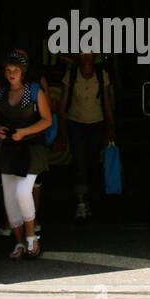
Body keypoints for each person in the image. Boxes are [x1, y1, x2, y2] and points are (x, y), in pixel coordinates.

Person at [0, 50, 53, 258]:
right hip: (9, 150)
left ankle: (31, 237)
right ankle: (18, 243)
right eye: (8, 70)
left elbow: (47, 120)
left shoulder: (35, 91)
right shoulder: (0, 93)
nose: (11, 74)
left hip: (31, 148)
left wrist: (24, 132)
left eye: (15, 70)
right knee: (9, 198)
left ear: (23, 71)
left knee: (23, 192)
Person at [61, 50, 114, 220]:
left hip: (96, 124)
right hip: (75, 123)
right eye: (83, 54)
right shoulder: (71, 74)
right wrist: (61, 131)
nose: (86, 58)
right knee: (79, 162)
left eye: (89, 54)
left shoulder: (101, 74)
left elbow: (106, 103)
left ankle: (89, 197)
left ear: (94, 56)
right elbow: (62, 103)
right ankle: (81, 203)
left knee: (91, 162)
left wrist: (110, 130)